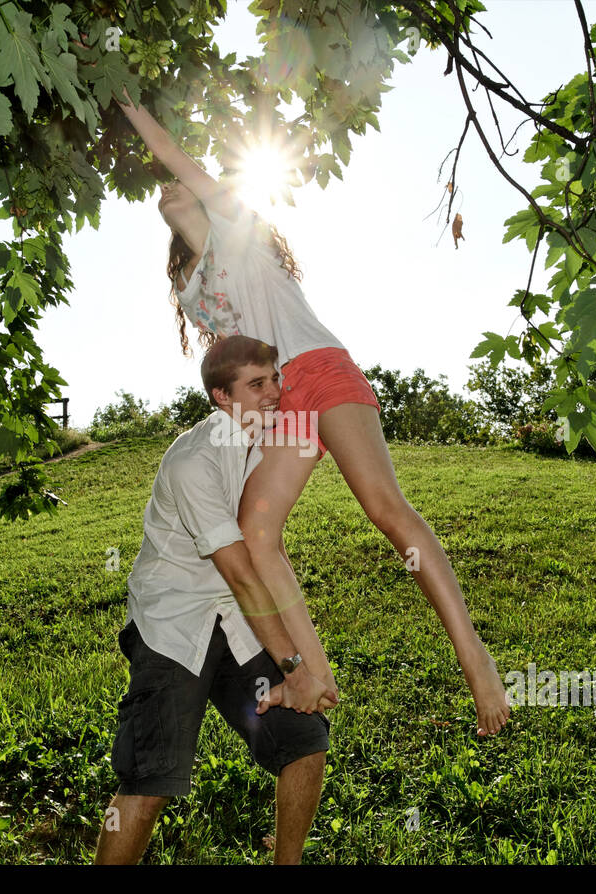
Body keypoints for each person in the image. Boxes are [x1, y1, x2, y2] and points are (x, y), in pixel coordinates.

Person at [114, 89, 511, 737]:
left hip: (319, 369)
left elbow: (170, 154)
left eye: (177, 185)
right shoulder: (194, 293)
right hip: (281, 404)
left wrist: (125, 100)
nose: (168, 187)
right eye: (163, 193)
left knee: (384, 506)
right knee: (256, 530)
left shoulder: (242, 234)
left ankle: (474, 655)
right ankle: (313, 671)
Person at [95, 335, 338, 865]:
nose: (275, 391)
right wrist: (294, 666)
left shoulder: (262, 443)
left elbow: (266, 556)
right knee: (149, 780)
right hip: (173, 628)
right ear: (221, 397)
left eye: (275, 377)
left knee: (305, 742)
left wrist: (307, 668)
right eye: (257, 384)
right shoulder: (193, 462)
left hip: (233, 622)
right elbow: (243, 574)